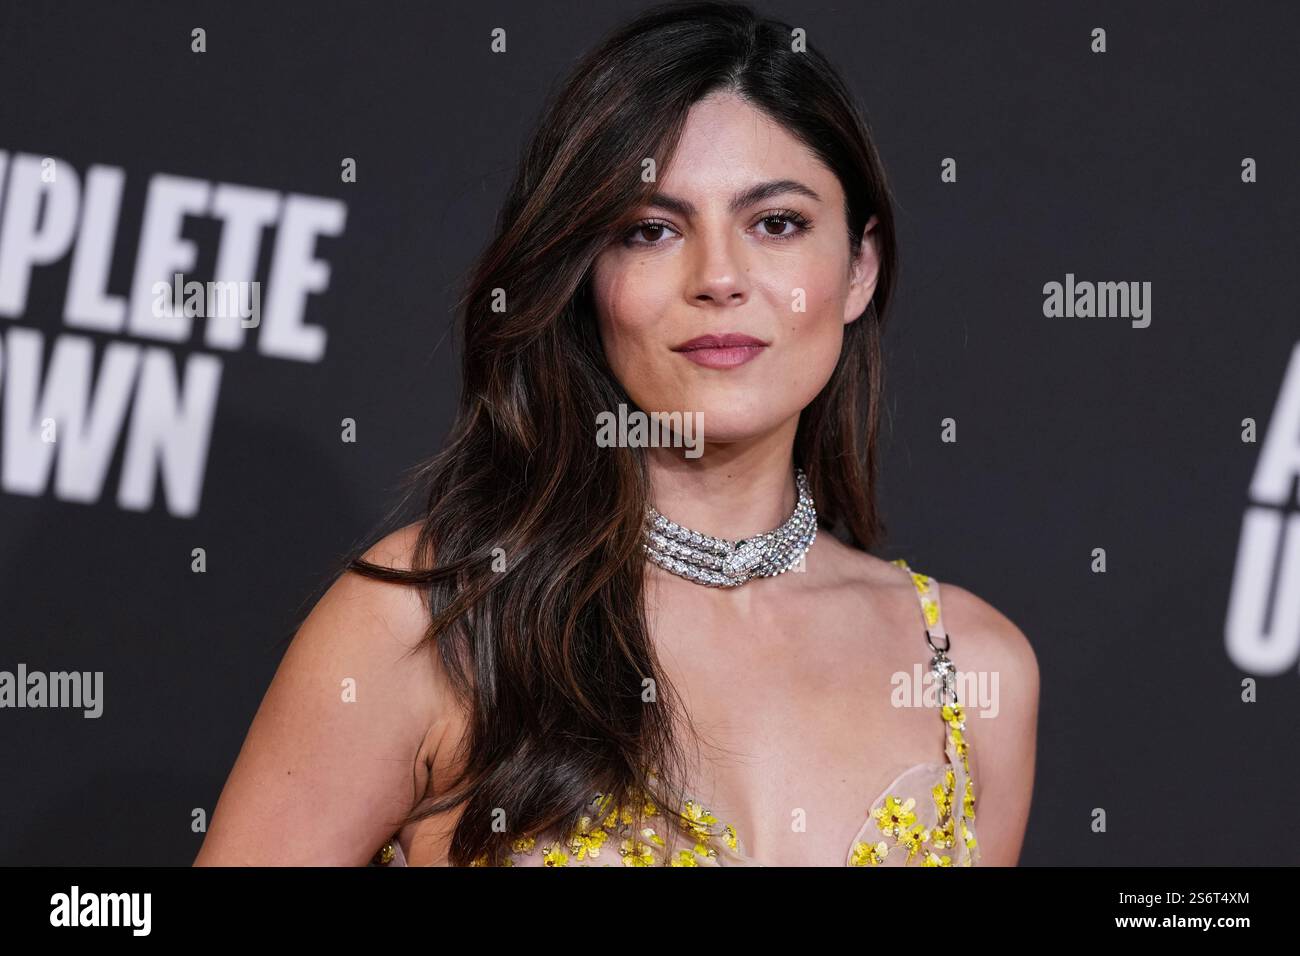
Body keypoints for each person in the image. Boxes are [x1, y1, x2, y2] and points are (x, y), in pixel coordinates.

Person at [194, 0, 1038, 868]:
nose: (719, 277)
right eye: (651, 230)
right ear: (585, 277)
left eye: (776, 223)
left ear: (860, 268)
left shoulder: (971, 673)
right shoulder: (429, 623)